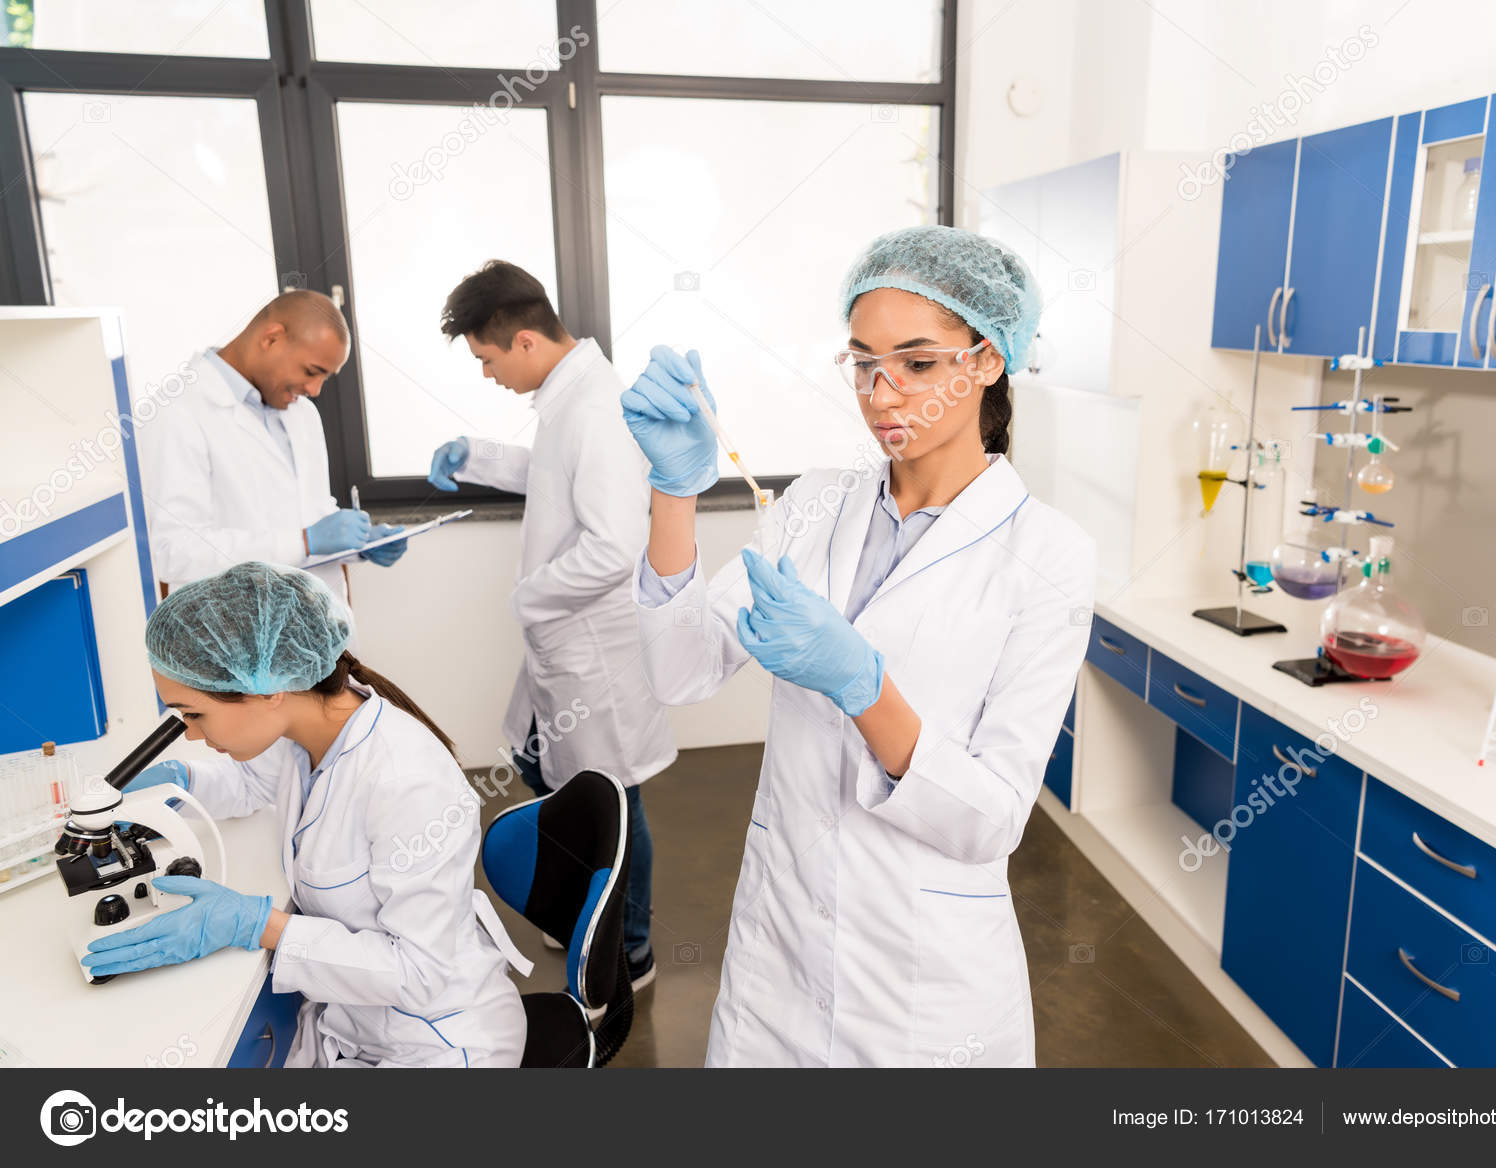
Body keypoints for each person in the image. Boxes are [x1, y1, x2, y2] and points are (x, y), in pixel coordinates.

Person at [622, 225, 1095, 1067]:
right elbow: (681, 668)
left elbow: (991, 818)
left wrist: (864, 688)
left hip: (924, 984)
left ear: (987, 360)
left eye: (917, 363)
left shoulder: (1048, 555)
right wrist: (672, 493)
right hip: (780, 954)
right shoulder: (814, 506)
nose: (883, 394)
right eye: (864, 362)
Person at [89, 561, 528, 1068]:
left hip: (437, 1042)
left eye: (194, 714)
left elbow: (420, 973)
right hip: (352, 1021)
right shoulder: (309, 725)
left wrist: (258, 926)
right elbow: (252, 782)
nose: (189, 733)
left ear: (268, 689)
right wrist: (179, 785)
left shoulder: (405, 779)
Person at [426, 261, 675, 989]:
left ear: (526, 340)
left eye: (487, 358)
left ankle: (629, 947)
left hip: (590, 645)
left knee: (612, 800)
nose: (487, 373)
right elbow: (556, 473)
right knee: (542, 761)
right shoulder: (571, 401)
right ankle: (581, 903)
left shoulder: (593, 408)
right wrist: (478, 457)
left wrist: (527, 596)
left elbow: (612, 546)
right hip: (562, 646)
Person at [145, 290, 406, 605]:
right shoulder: (178, 411)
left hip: (321, 626)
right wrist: (305, 541)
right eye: (311, 372)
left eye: (326, 377)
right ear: (271, 339)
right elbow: (174, 551)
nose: (314, 389)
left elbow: (310, 512)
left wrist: (357, 543)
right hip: (239, 635)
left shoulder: (302, 412)